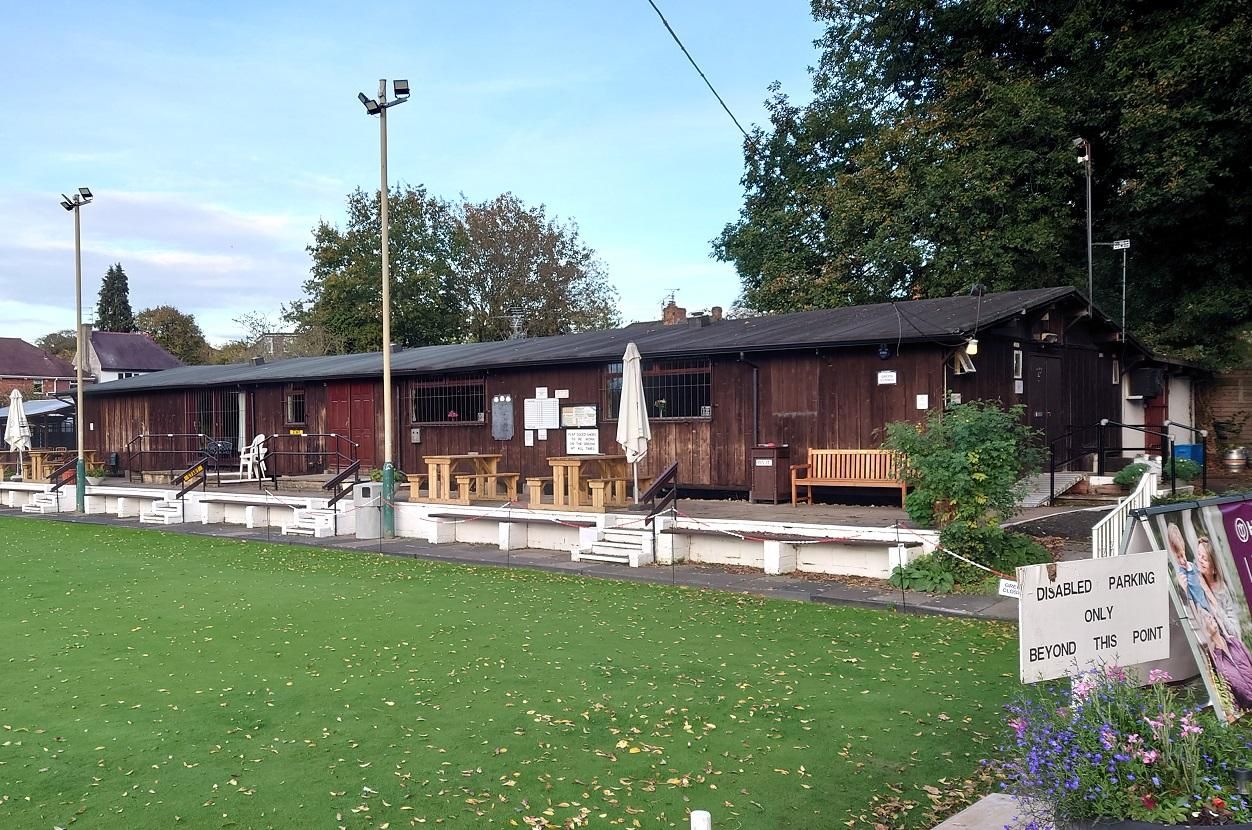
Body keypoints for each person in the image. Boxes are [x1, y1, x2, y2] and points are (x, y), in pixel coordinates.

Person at [1197, 606, 1252, 711]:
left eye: (1210, 616)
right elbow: (1224, 688)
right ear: (1203, 627)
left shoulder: (1234, 642)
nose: (1210, 617)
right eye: (1206, 618)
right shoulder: (1213, 657)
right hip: (1246, 709)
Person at [1196, 535, 1242, 638]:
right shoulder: (1195, 583)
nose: (1199, 560)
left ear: (1214, 569)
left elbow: (1234, 632)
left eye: (1204, 558)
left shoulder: (1222, 590)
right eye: (1198, 555)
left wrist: (1212, 599)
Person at [1166, 522, 1211, 612]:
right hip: (1198, 615)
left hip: (1209, 611)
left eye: (1182, 555)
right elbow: (1185, 602)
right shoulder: (1179, 576)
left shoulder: (1194, 568)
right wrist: (1183, 588)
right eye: (1178, 557)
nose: (1182, 561)